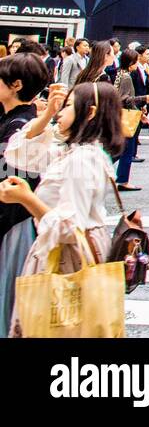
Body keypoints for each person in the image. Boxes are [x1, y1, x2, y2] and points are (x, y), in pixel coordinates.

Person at [0, 80, 123, 337]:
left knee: (59, 327)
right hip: (65, 250)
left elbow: (69, 228)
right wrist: (46, 115)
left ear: (89, 113)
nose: (60, 111)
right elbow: (18, 153)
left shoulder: (82, 159)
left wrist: (27, 199)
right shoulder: (75, 152)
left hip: (70, 256)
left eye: (67, 105)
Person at [0, 53, 49, 332]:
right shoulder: (15, 119)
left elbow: (11, 179)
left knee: (8, 300)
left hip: (13, 222)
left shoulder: (21, 126)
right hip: (13, 221)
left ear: (16, 85)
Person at [112, 48, 149, 191]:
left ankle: (117, 176)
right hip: (127, 117)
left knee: (120, 148)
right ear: (131, 63)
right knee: (126, 149)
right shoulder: (127, 77)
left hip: (121, 114)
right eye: (135, 62)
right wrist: (143, 99)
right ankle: (122, 180)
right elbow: (125, 98)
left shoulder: (120, 74)